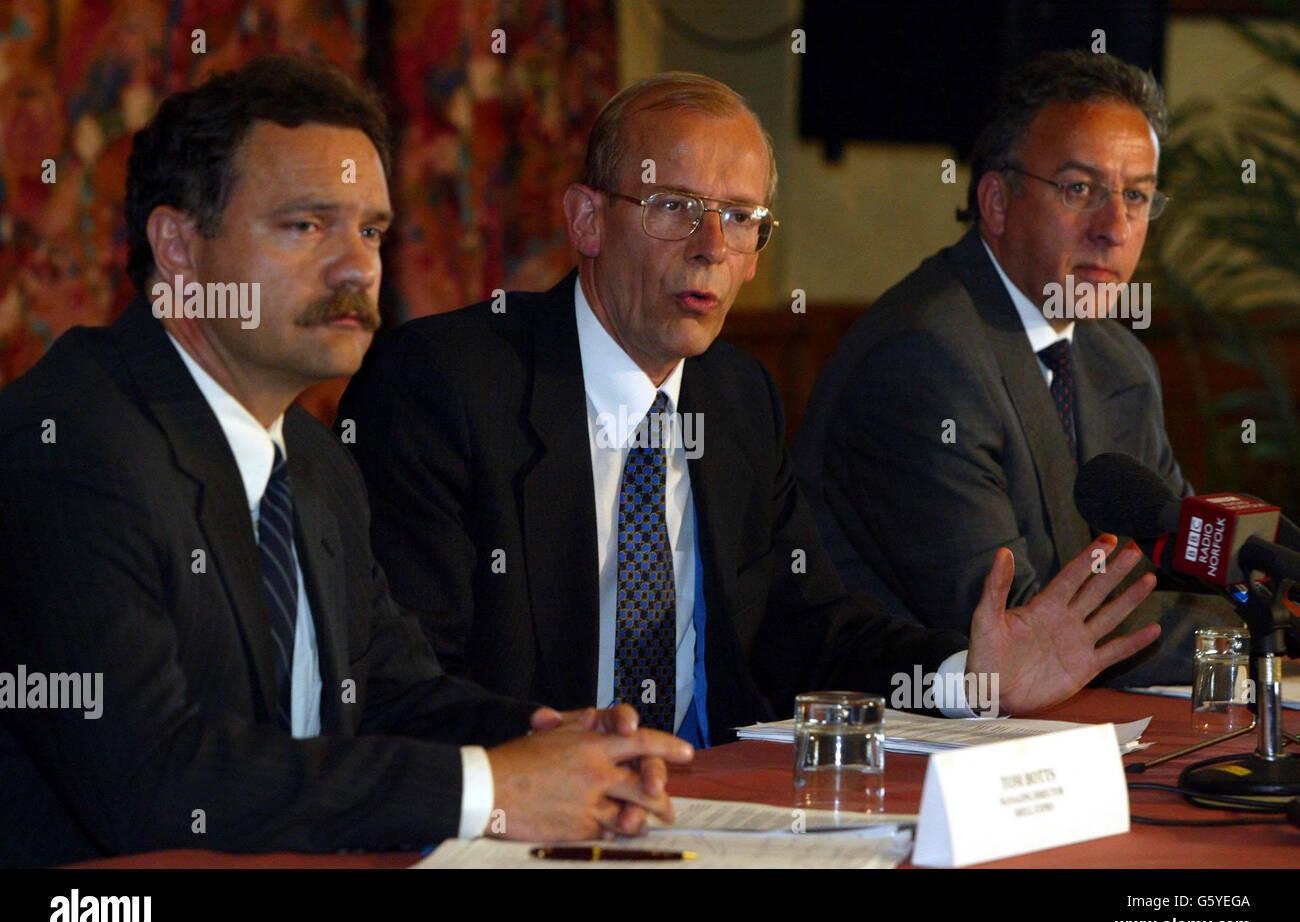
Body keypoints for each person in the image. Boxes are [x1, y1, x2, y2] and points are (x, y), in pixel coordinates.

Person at [0, 56, 692, 869]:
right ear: (178, 249)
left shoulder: (318, 460)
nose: (357, 268)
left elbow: (388, 695)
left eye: (370, 230)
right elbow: (158, 780)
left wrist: (552, 740)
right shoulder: (69, 446)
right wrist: (489, 788)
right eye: (305, 225)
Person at [338, 70, 1161, 747]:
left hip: (724, 806)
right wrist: (566, 747)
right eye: (674, 207)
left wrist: (965, 675)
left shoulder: (734, 397)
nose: (711, 247)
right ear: (587, 219)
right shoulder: (445, 383)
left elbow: (805, 626)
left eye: (740, 218)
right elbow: (407, 679)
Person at [794, 51, 1239, 687]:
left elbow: (1183, 565)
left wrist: (1264, 599)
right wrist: (1259, 632)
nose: (1113, 228)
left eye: (1136, 196)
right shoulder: (923, 360)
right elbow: (1028, 628)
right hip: (896, 752)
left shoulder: (1119, 361)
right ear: (997, 202)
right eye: (1080, 189)